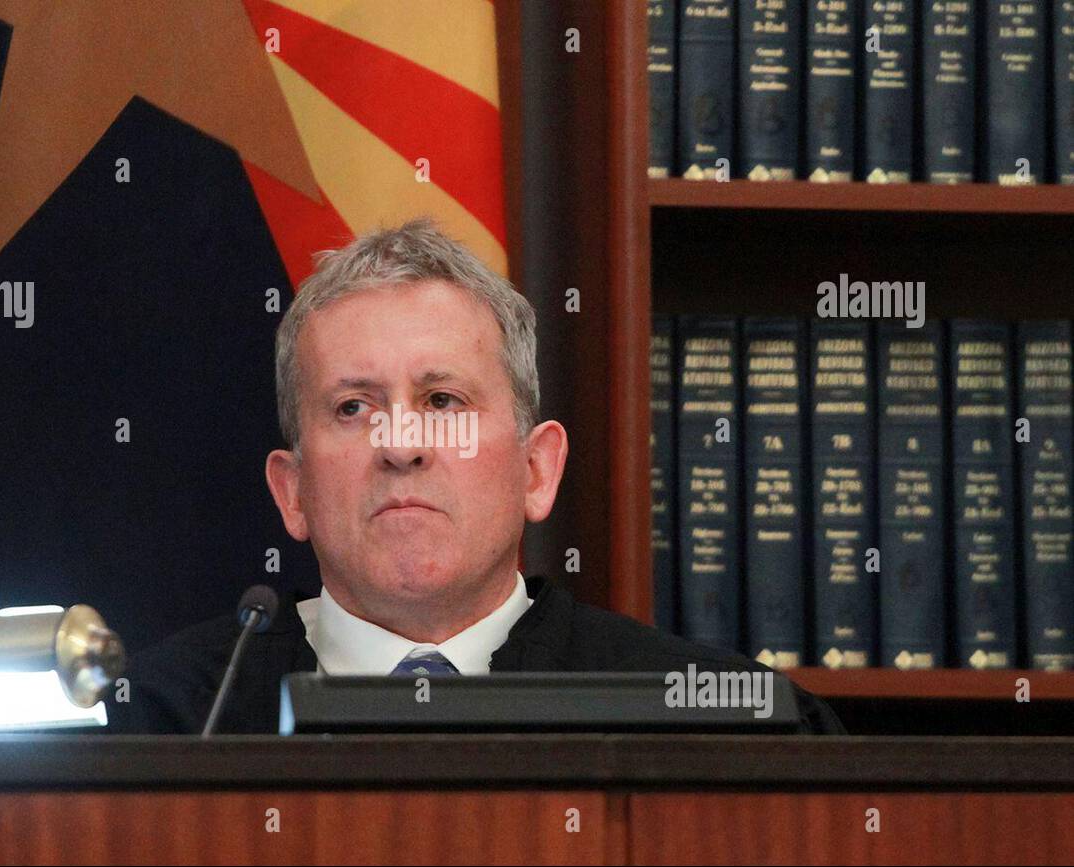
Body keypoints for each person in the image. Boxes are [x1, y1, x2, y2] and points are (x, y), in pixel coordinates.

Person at [102, 219, 844, 734]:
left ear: (536, 469)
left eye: (442, 400)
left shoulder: (718, 720)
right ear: (292, 492)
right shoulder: (161, 720)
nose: (400, 444)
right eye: (354, 406)